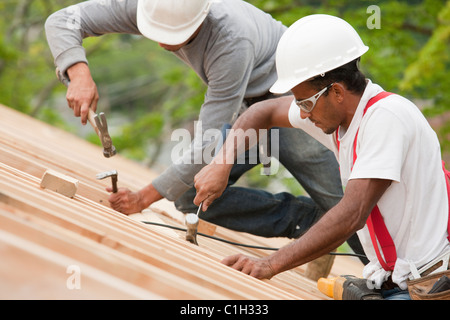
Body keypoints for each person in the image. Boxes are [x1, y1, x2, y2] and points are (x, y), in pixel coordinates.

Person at [45, 0, 365, 258]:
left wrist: (143, 198)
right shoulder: (149, 6)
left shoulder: (230, 39)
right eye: (156, 31)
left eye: (175, 35)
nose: (162, 41)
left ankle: (389, 279)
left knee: (344, 204)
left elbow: (210, 141)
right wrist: (79, 72)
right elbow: (63, 21)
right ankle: (309, 221)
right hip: (245, 105)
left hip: (292, 97)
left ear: (200, 19)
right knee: (190, 193)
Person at [193, 14, 450, 300]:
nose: (301, 113)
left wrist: (270, 264)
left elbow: (351, 215)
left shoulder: (387, 118)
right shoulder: (338, 117)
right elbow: (261, 113)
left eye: (304, 102)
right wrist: (221, 163)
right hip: (396, 280)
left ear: (337, 92)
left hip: (429, 284)